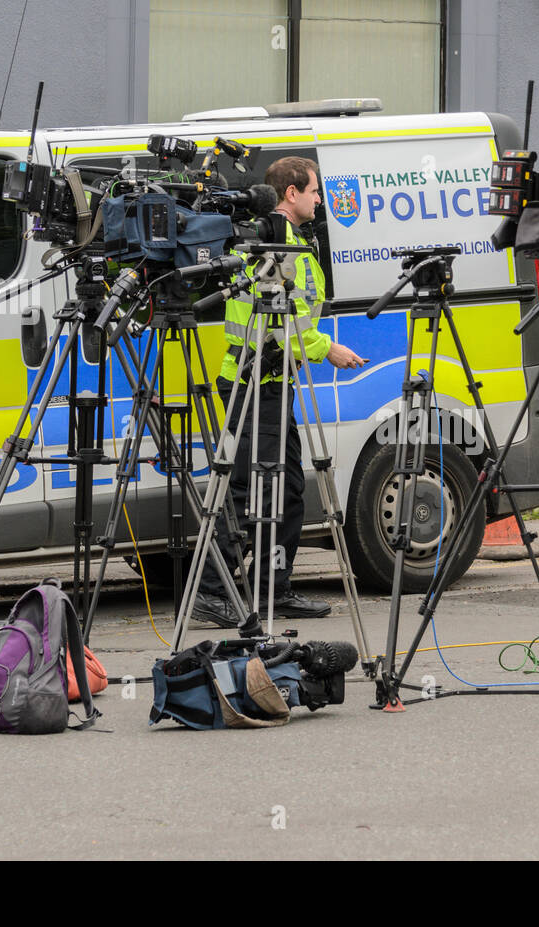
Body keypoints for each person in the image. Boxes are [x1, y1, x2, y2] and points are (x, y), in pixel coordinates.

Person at [193, 156, 366, 626]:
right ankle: (212, 590)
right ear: (291, 193)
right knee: (248, 487)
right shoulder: (269, 245)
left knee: (287, 488)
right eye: (313, 191)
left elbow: (290, 314)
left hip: (275, 382)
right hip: (253, 382)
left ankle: (275, 586)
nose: (319, 200)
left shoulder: (290, 242)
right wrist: (325, 347)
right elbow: (272, 323)